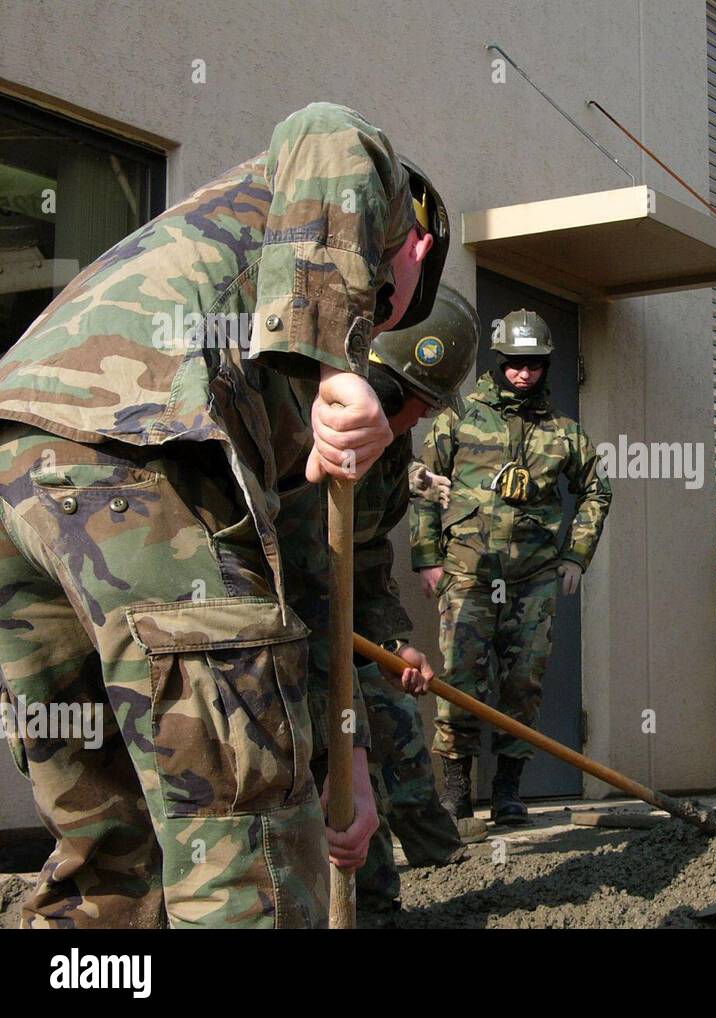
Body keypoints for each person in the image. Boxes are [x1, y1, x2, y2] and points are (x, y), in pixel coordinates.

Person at [0, 102, 447, 928]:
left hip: (21, 477)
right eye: (389, 306)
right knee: (245, 841)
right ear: (413, 243)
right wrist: (331, 355)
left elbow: (317, 597)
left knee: (112, 851)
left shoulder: (261, 385)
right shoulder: (364, 188)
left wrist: (346, 764)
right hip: (141, 454)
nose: (381, 320)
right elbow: (324, 125)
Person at [291, 284, 483, 913]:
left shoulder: (389, 451)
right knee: (346, 774)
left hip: (343, 624)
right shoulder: (294, 436)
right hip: (284, 633)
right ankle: (359, 901)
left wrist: (397, 642)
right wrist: (350, 740)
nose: (424, 420)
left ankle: (420, 874)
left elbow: (366, 563)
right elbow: (307, 585)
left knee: (394, 723)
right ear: (383, 384)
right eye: (421, 404)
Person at [412, 309, 611, 825]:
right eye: (515, 364)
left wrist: (576, 556)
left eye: (535, 365)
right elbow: (423, 488)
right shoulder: (458, 419)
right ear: (499, 362)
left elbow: (596, 491)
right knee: (458, 681)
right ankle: (456, 793)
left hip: (533, 581)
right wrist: (426, 557)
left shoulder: (564, 432)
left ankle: (507, 791)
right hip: (467, 575)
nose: (524, 374)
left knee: (522, 684)